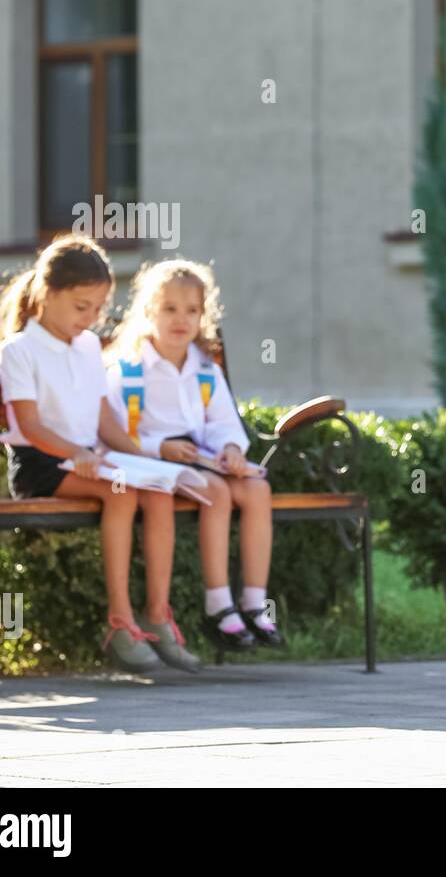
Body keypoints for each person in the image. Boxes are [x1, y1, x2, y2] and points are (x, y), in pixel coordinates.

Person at [0, 235, 200, 673]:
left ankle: (158, 615)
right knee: (123, 494)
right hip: (41, 464)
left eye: (99, 308)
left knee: (157, 491)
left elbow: (104, 417)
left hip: (89, 460)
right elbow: (30, 426)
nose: (91, 318)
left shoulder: (88, 346)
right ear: (48, 295)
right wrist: (81, 455)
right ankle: (120, 623)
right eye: (81, 306)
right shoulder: (18, 351)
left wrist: (146, 462)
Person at [105, 259, 283, 655]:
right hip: (153, 463)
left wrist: (232, 450)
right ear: (147, 311)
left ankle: (254, 602)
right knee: (217, 492)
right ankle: (218, 604)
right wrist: (160, 448)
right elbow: (113, 433)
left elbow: (222, 423)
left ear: (204, 315)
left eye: (192, 310)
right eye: (169, 309)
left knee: (257, 490)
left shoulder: (205, 369)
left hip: (201, 459)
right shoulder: (129, 371)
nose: (180, 319)